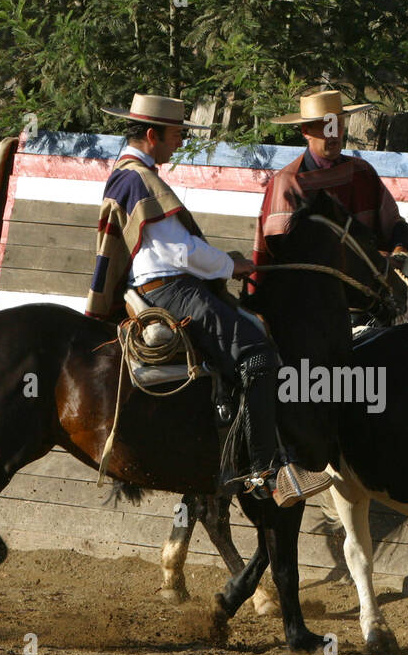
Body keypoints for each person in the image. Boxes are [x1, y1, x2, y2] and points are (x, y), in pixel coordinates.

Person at [84, 93, 280, 497]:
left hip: (157, 286)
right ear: (153, 135)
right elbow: (179, 252)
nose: (181, 142)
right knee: (258, 355)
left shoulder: (128, 173)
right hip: (172, 289)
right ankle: (264, 473)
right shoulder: (140, 178)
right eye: (176, 134)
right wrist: (230, 265)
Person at [250, 90, 408, 314]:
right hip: (309, 302)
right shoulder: (287, 184)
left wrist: (399, 251)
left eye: (338, 127)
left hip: (372, 294)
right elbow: (283, 256)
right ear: (306, 131)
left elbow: (395, 224)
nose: (334, 136)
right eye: (326, 128)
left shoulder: (362, 173)